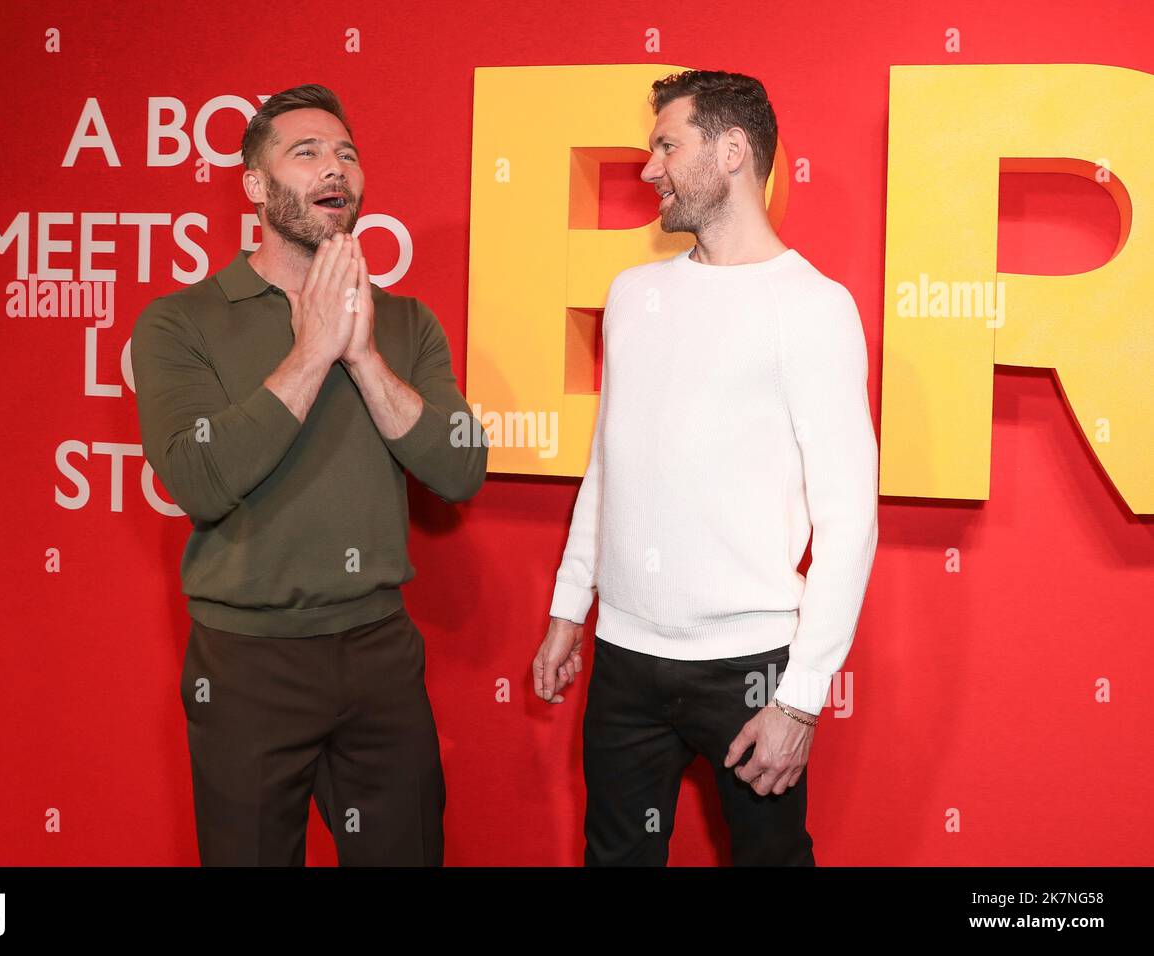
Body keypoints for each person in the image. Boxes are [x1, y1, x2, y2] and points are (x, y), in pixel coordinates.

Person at [131, 83, 488, 866]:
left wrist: (361, 356)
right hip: (248, 663)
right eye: (307, 152)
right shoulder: (180, 320)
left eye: (347, 153)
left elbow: (461, 467)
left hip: (380, 653)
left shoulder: (403, 322)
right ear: (255, 188)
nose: (336, 168)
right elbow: (196, 476)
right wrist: (311, 351)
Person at [532, 70, 879, 866]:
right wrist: (567, 608)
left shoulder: (813, 307)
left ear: (731, 151)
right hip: (623, 661)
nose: (648, 168)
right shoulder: (632, 294)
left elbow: (849, 518)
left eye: (666, 144)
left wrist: (800, 699)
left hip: (751, 670)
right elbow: (606, 464)